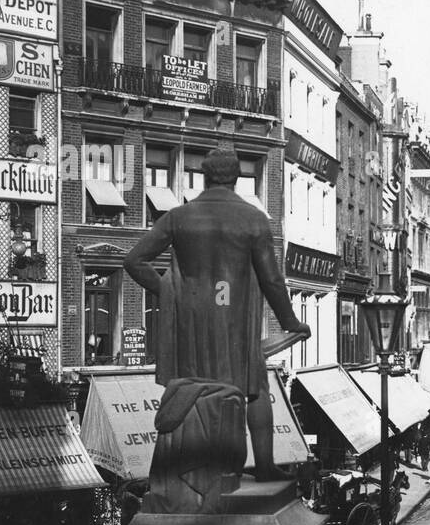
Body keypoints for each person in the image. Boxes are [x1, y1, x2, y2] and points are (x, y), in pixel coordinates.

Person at [124, 148, 312, 482]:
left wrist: (171, 294)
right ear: (237, 177)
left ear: (204, 176)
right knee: (253, 387)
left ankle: (191, 466)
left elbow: (134, 261)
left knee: (193, 387)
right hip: (235, 319)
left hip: (191, 324)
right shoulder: (253, 219)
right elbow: (271, 278)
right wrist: (290, 322)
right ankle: (264, 465)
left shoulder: (178, 216)